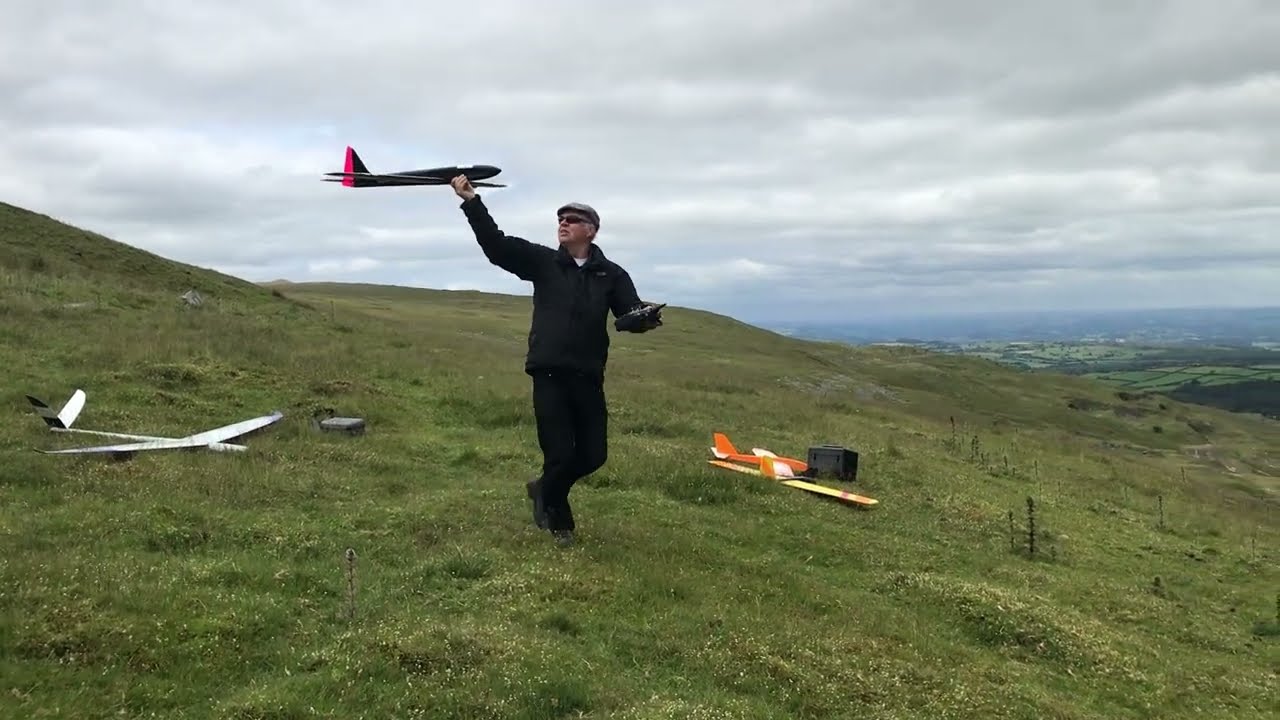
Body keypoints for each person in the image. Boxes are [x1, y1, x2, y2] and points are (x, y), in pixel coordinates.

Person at [450, 174, 663, 546]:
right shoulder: (543, 262)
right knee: (560, 453)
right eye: (561, 219)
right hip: (548, 371)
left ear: (592, 231)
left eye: (573, 219)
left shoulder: (611, 274)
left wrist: (643, 320)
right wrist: (472, 202)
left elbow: (628, 315)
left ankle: (542, 490)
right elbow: (496, 246)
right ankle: (561, 524)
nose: (563, 223)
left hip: (588, 375)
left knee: (594, 455)